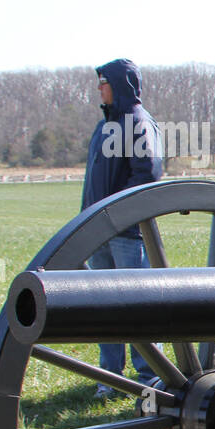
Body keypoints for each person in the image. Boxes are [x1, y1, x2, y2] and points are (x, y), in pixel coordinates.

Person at [83, 58, 164, 397]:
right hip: (98, 230)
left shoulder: (137, 123)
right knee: (105, 308)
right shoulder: (105, 126)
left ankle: (148, 378)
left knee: (136, 306)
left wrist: (119, 214)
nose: (99, 88)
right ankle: (110, 378)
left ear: (118, 85)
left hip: (126, 231)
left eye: (104, 82)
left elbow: (147, 173)